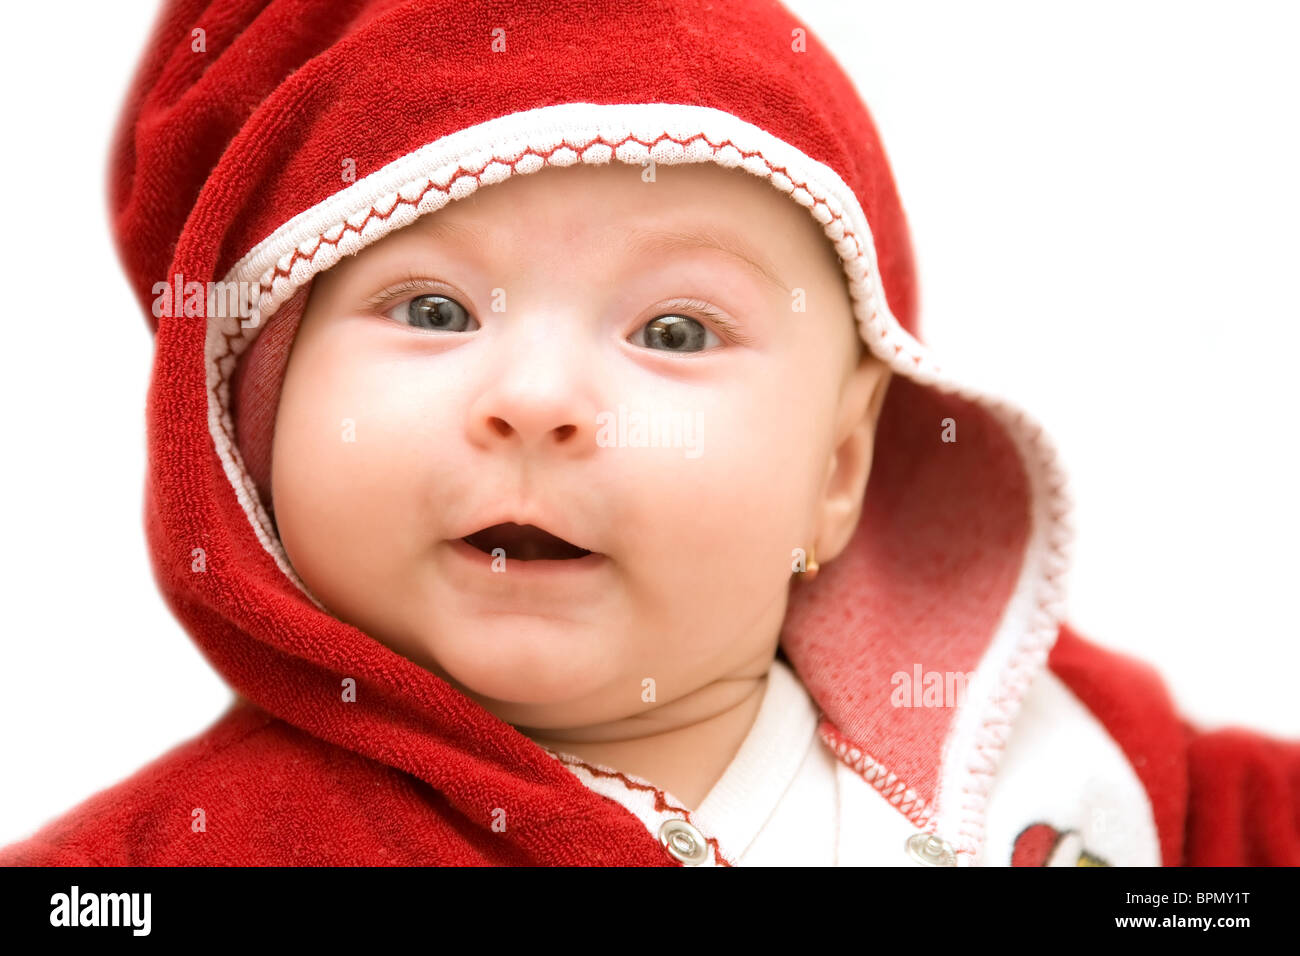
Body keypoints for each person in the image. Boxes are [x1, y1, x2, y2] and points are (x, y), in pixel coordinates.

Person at [2, 0, 1296, 867]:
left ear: (841, 467)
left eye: (675, 332)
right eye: (434, 309)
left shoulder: (1065, 752)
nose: (538, 399)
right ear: (251, 419)